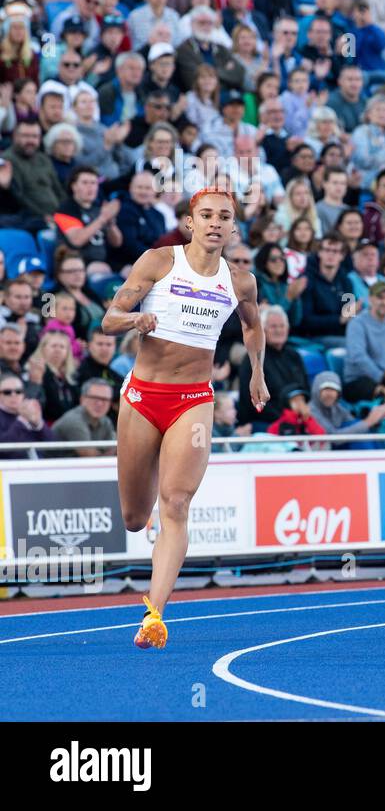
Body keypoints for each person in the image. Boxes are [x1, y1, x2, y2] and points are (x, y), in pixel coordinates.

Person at [101, 187, 267, 648]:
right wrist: (134, 320)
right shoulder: (159, 261)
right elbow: (109, 318)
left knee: (175, 504)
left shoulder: (241, 282)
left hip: (193, 399)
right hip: (142, 398)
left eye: (224, 217)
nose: (215, 223)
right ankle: (152, 471)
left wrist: (257, 372)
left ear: (233, 228)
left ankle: (153, 615)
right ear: (191, 223)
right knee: (135, 517)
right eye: (207, 215)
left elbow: (253, 325)